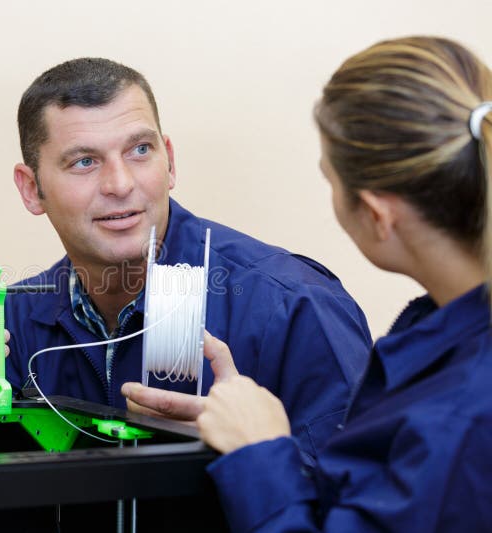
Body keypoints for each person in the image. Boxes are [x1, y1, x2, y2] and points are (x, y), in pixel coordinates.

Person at [0, 57, 372, 461]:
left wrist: (240, 456)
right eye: (85, 161)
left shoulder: (295, 306)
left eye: (139, 150)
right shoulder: (12, 325)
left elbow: (365, 508)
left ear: (170, 162)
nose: (121, 183)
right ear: (32, 190)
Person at [194, 36, 492, 531]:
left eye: (329, 179)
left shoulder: (460, 418)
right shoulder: (441, 337)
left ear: (377, 214)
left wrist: (260, 454)